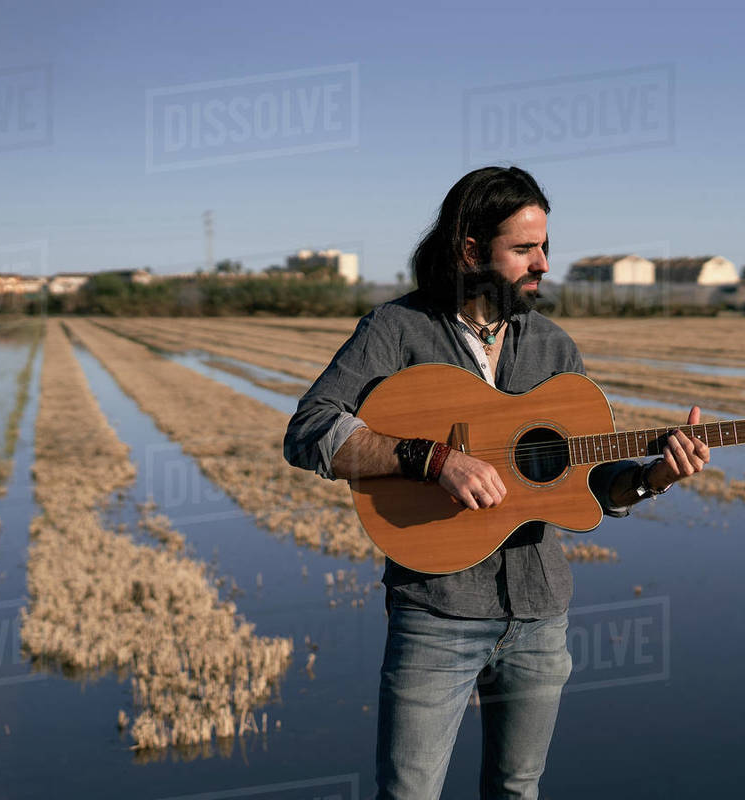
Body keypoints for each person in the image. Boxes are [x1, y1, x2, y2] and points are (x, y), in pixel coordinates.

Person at [283, 165, 709, 800]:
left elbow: (589, 486)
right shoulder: (397, 330)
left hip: (540, 614)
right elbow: (309, 431)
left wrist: (652, 477)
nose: (542, 264)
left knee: (517, 791)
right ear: (472, 251)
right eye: (524, 249)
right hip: (436, 611)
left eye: (544, 248)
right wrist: (432, 460)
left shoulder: (556, 350)